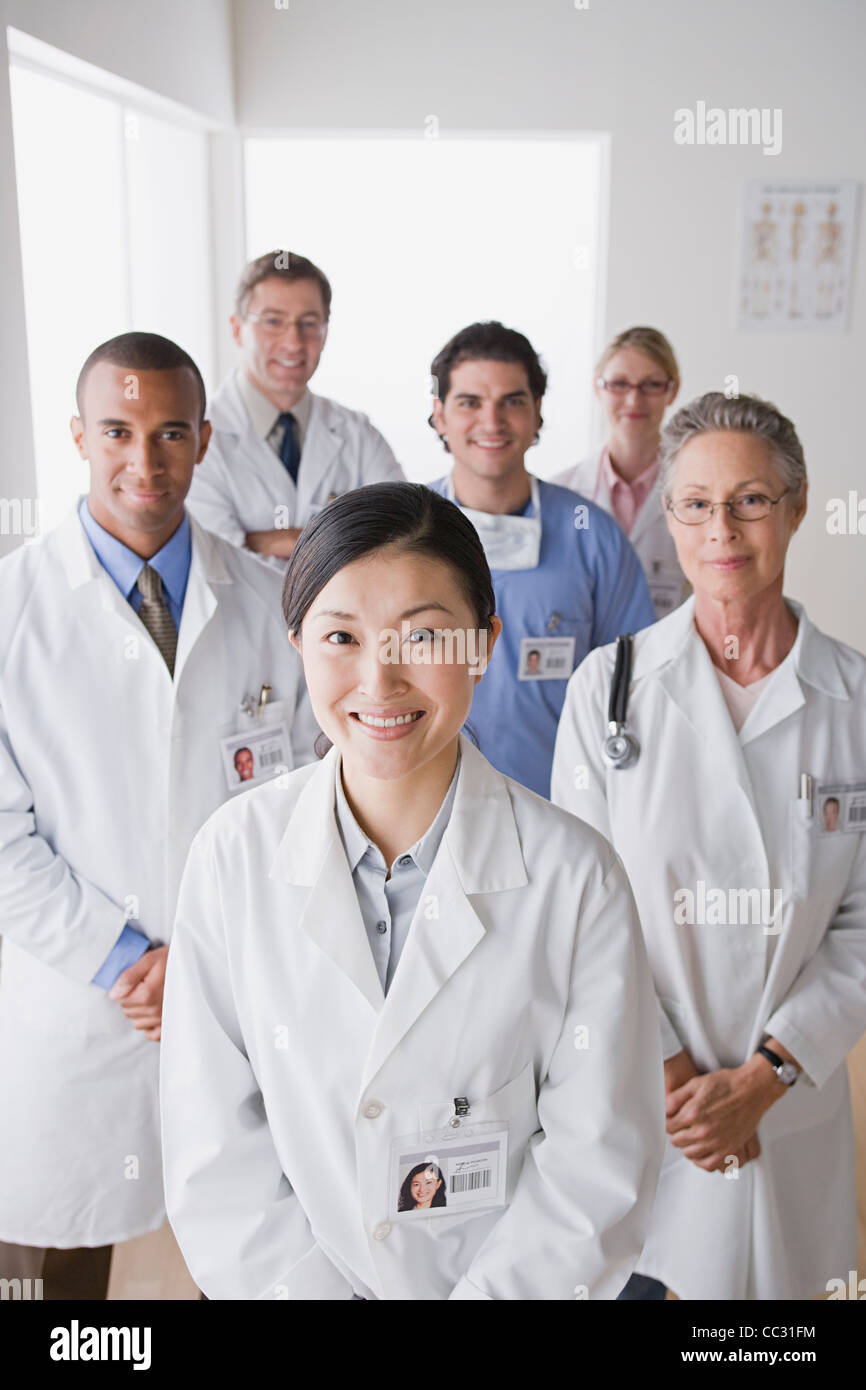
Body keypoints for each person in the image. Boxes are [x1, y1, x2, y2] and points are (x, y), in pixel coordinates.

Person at [160, 481, 665, 1300]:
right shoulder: (231, 859)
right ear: (298, 644)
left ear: (484, 643)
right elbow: (215, 1151)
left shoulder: (578, 879)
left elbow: (595, 1170)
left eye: (423, 637)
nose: (380, 680)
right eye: (341, 637)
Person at [0, 333, 317, 1299]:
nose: (146, 460)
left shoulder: (270, 604)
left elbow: (308, 806)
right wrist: (128, 962)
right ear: (78, 437)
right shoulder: (12, 611)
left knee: (236, 1252)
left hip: (236, 997)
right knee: (74, 1272)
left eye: (171, 432)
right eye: (119, 432)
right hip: (81, 1006)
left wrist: (201, 965)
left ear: (206, 438)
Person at [552, 392, 866, 1300]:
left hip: (789, 1104)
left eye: (751, 501)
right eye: (694, 504)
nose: (720, 527)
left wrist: (766, 1077)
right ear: (668, 516)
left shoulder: (853, 699)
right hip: (651, 1102)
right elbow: (580, 914)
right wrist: (677, 1078)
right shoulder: (605, 693)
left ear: (799, 508)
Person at [426, 321, 655, 798]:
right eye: (470, 402)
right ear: (440, 415)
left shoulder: (591, 538)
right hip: (420, 809)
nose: (492, 422)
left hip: (557, 812)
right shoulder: (401, 535)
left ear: (537, 416)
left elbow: (637, 691)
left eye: (512, 401)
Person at [186, 250, 403, 566]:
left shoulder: (358, 434)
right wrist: (345, 540)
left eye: (309, 323)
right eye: (273, 321)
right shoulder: (199, 437)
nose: (294, 343)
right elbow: (215, 557)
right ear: (236, 329)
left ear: (325, 331)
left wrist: (265, 540)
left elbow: (400, 540)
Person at [553, 326, 688, 619]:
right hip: (588, 659)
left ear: (672, 390)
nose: (633, 400)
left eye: (651, 385)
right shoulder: (562, 492)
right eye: (619, 384)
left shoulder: (694, 490)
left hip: (673, 656)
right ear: (598, 388)